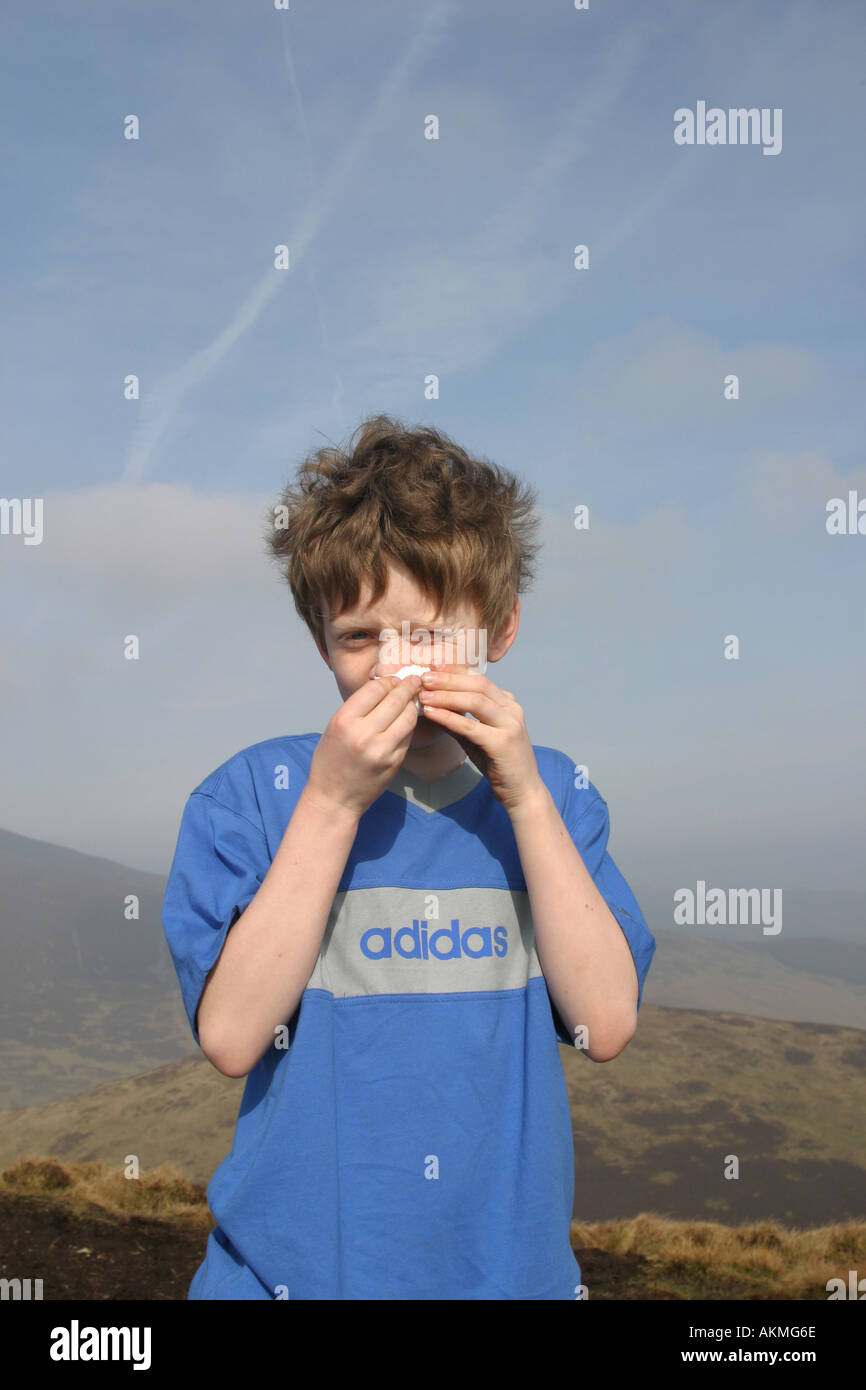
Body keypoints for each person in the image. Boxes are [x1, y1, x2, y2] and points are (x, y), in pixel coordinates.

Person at [161, 413, 656, 1300]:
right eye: (359, 638)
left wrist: (527, 801)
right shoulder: (255, 797)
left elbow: (607, 1024)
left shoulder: (557, 795)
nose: (396, 668)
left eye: (429, 635)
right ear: (321, 642)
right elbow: (233, 1038)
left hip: (508, 1281)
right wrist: (332, 801)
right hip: (283, 1282)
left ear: (500, 629)